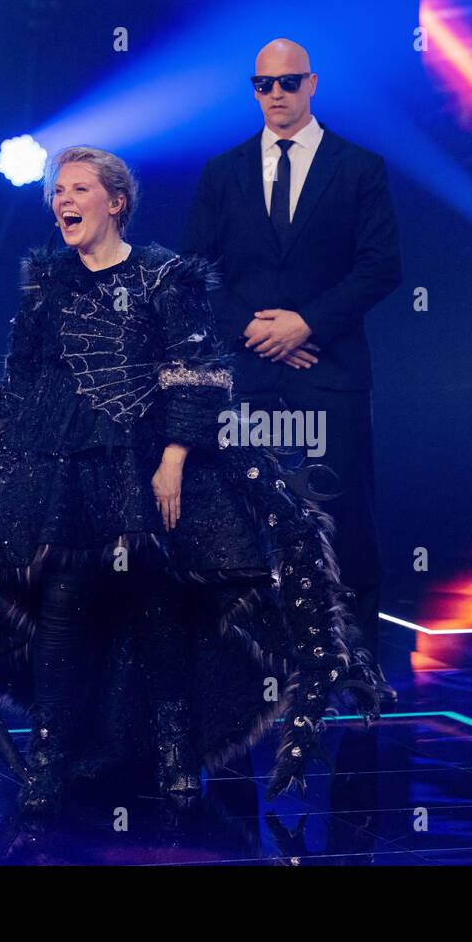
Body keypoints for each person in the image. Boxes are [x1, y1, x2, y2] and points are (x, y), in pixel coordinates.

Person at [0, 146, 385, 816]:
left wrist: (174, 459)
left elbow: (197, 372)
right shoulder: (50, 282)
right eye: (56, 192)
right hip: (63, 469)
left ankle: (177, 753)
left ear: (115, 202)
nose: (61, 201)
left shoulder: (165, 278)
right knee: (65, 607)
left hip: (148, 464)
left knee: (159, 605)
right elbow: (20, 381)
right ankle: (49, 754)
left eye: (77, 188)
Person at [181, 38, 402, 673]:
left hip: (328, 369)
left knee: (345, 519)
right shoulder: (221, 172)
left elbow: (381, 266)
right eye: (263, 84)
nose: (275, 94)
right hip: (247, 373)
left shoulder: (360, 167)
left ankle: (353, 666)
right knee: (241, 520)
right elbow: (195, 271)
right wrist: (257, 330)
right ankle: (254, 667)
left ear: (312, 85)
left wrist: (308, 325)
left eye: (287, 82)